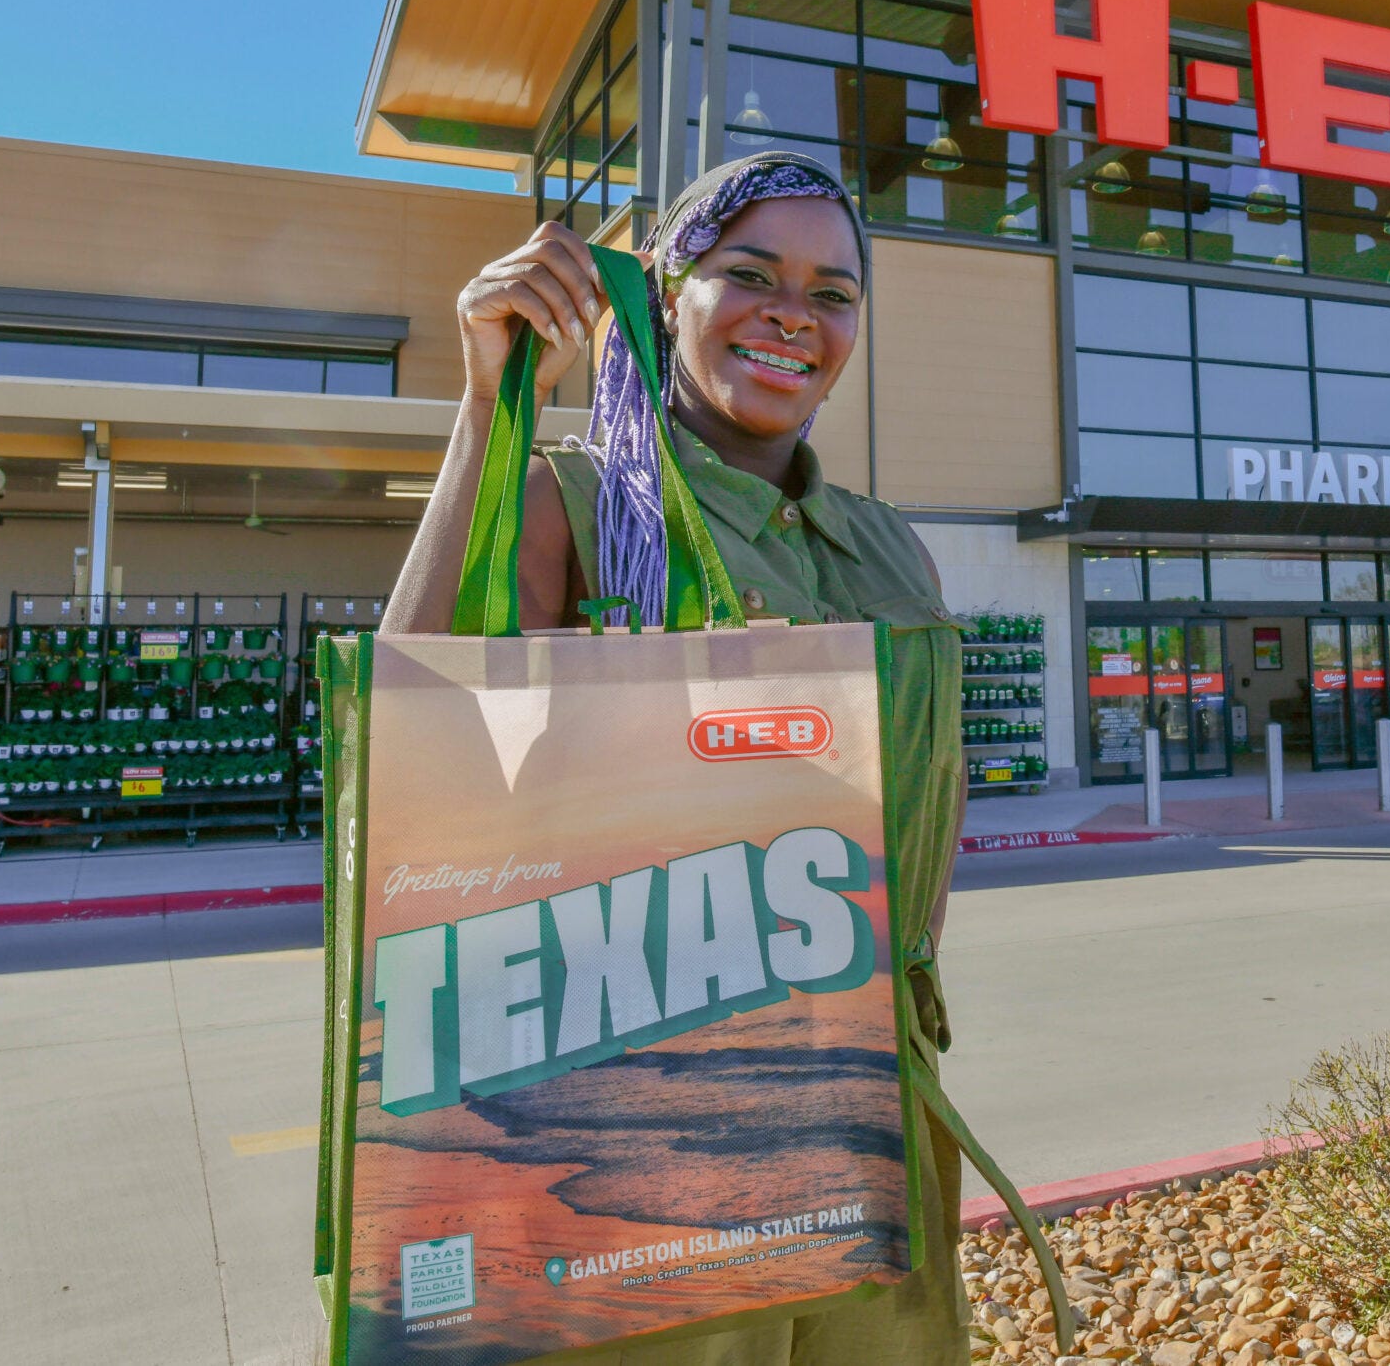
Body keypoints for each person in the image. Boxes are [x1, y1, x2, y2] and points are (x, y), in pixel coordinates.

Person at [383, 151, 980, 1363]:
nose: (792, 316)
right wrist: (486, 401)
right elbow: (411, 732)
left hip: (877, 1105)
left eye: (832, 292)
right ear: (664, 297)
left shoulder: (887, 546)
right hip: (652, 1144)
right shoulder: (576, 500)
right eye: (748, 274)